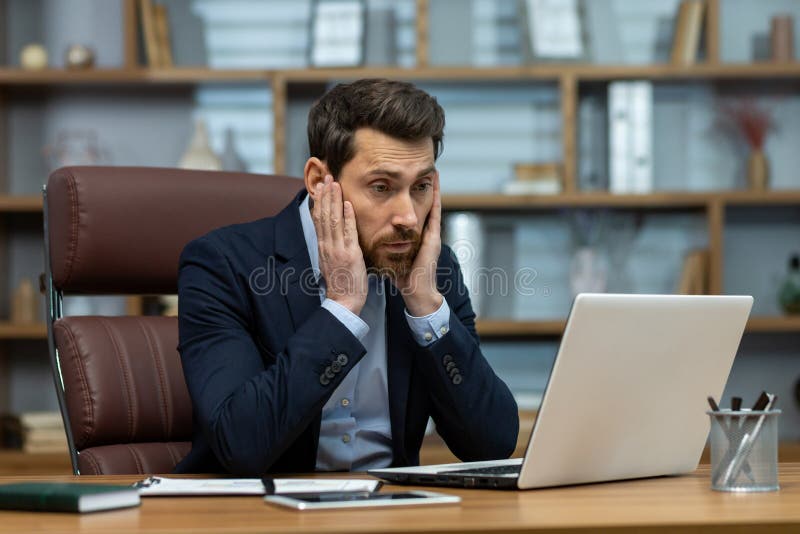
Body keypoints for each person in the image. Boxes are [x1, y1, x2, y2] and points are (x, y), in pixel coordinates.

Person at [175, 78, 518, 475]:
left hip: (393, 512)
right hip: (263, 514)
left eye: (421, 186)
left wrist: (426, 307)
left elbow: (491, 444)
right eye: (381, 187)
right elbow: (241, 446)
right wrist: (341, 307)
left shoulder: (433, 269)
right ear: (320, 181)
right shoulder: (222, 265)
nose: (408, 217)